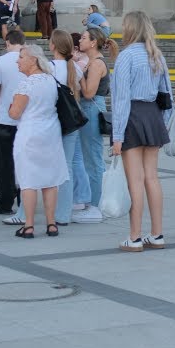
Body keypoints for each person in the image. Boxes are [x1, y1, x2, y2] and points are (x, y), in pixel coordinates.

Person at [111, 11, 173, 253]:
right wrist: (163, 123)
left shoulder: (126, 57)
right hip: (153, 116)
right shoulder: (156, 55)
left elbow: (121, 99)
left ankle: (134, 236)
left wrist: (117, 136)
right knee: (152, 178)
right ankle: (157, 234)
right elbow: (167, 95)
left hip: (133, 116)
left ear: (130, 29)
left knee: (134, 180)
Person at [8, 44, 69, 238]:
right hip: (50, 132)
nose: (18, 61)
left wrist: (10, 106)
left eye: (21, 57)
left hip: (30, 133)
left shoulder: (26, 84)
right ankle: (51, 224)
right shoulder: (51, 79)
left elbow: (15, 113)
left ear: (33, 60)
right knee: (50, 180)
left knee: (29, 180)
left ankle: (29, 225)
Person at [49, 30, 90, 226]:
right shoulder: (74, 67)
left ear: (53, 46)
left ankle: (50, 209)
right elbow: (82, 92)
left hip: (52, 120)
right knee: (68, 166)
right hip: (71, 121)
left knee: (50, 166)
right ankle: (63, 214)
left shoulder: (48, 68)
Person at [74, 26, 112, 221]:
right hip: (87, 109)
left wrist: (78, 76)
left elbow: (89, 93)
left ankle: (97, 204)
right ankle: (91, 200)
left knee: (93, 159)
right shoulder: (90, 62)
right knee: (88, 157)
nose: (80, 41)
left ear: (93, 42)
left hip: (91, 108)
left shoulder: (96, 64)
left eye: (83, 38)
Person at [0, 27, 26, 217]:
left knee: (5, 161)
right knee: (24, 160)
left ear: (7, 42)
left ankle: (4, 201)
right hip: (25, 118)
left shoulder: (1, 61)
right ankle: (24, 199)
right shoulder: (29, 59)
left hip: (4, 116)